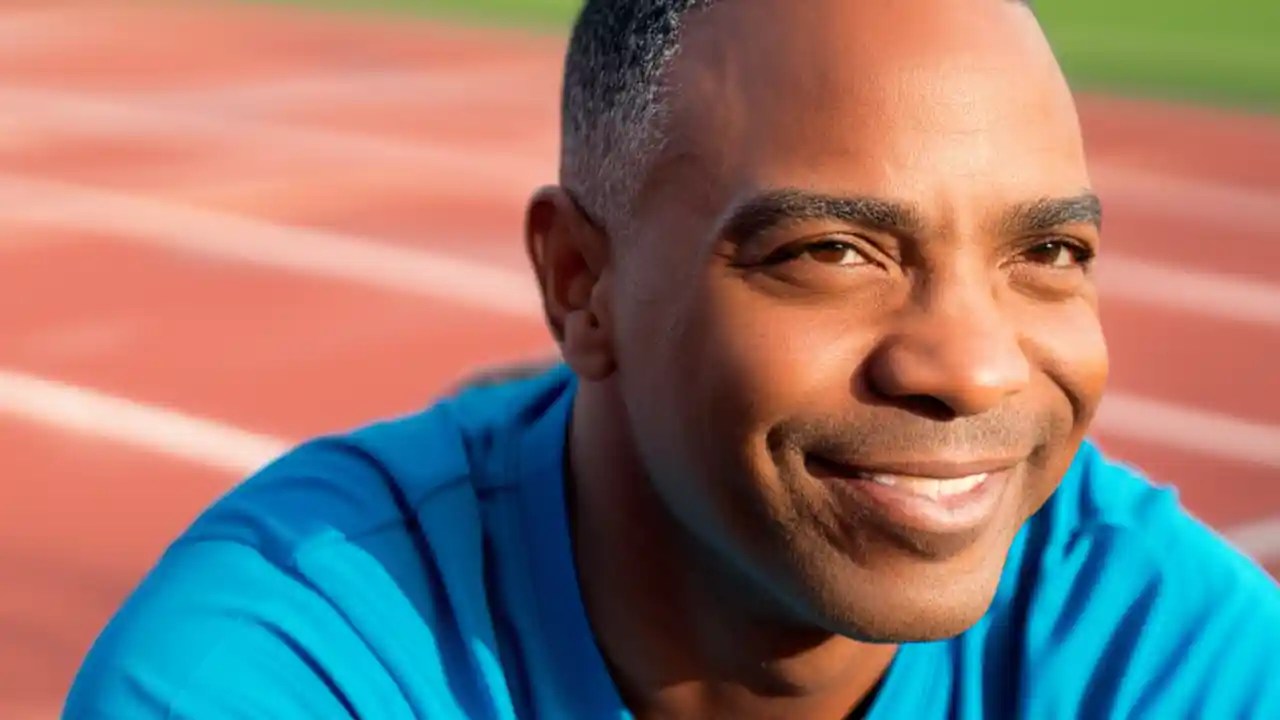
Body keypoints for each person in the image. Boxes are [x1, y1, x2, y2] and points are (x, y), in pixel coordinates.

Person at [65, 0, 1280, 718]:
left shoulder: (1169, 657)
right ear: (577, 284)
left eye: (1049, 250)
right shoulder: (276, 666)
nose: (971, 369)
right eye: (831, 250)